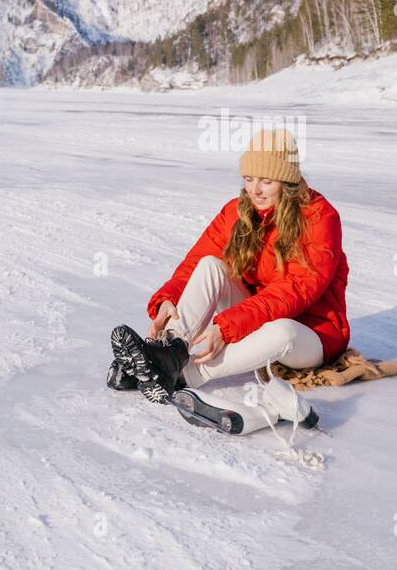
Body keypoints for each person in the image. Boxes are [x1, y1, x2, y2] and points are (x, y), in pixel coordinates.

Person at [108, 128, 350, 407]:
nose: (254, 190)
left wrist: (227, 327)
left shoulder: (319, 217)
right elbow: (197, 261)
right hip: (258, 314)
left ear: (288, 181)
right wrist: (168, 298)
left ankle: (184, 374)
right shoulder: (237, 211)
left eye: (266, 181)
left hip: (311, 334)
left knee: (283, 330)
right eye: (249, 179)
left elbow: (295, 290)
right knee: (211, 265)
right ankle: (167, 352)